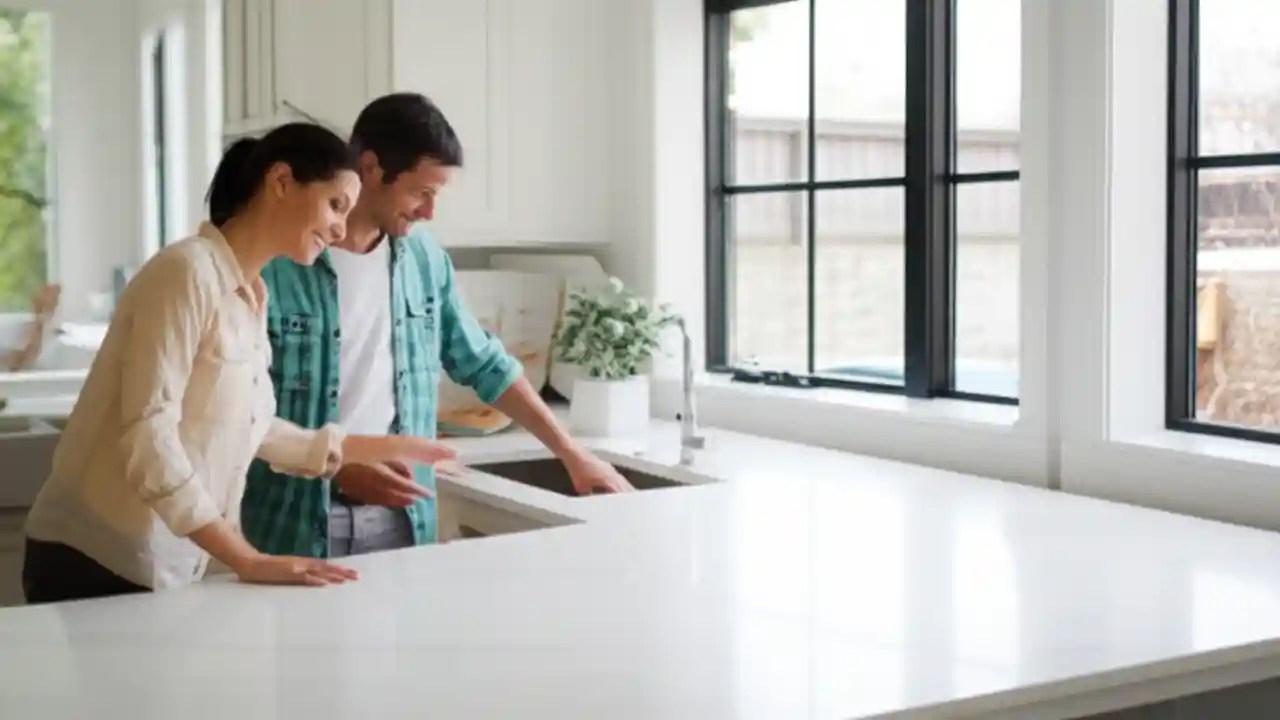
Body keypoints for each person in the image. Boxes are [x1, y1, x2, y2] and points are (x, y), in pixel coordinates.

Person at [21, 122, 457, 603]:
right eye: (335, 205)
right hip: (93, 556)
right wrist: (246, 558)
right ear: (282, 182)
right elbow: (148, 433)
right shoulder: (186, 272)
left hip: (165, 560)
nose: (339, 229)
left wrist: (368, 447)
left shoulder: (252, 294)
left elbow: (253, 425)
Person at [242, 93, 633, 560]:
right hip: (296, 523)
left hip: (406, 520)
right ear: (370, 168)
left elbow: (486, 364)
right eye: (421, 192)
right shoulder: (278, 265)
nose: (429, 212)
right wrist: (337, 467)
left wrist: (574, 455)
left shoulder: (425, 262)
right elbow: (242, 414)